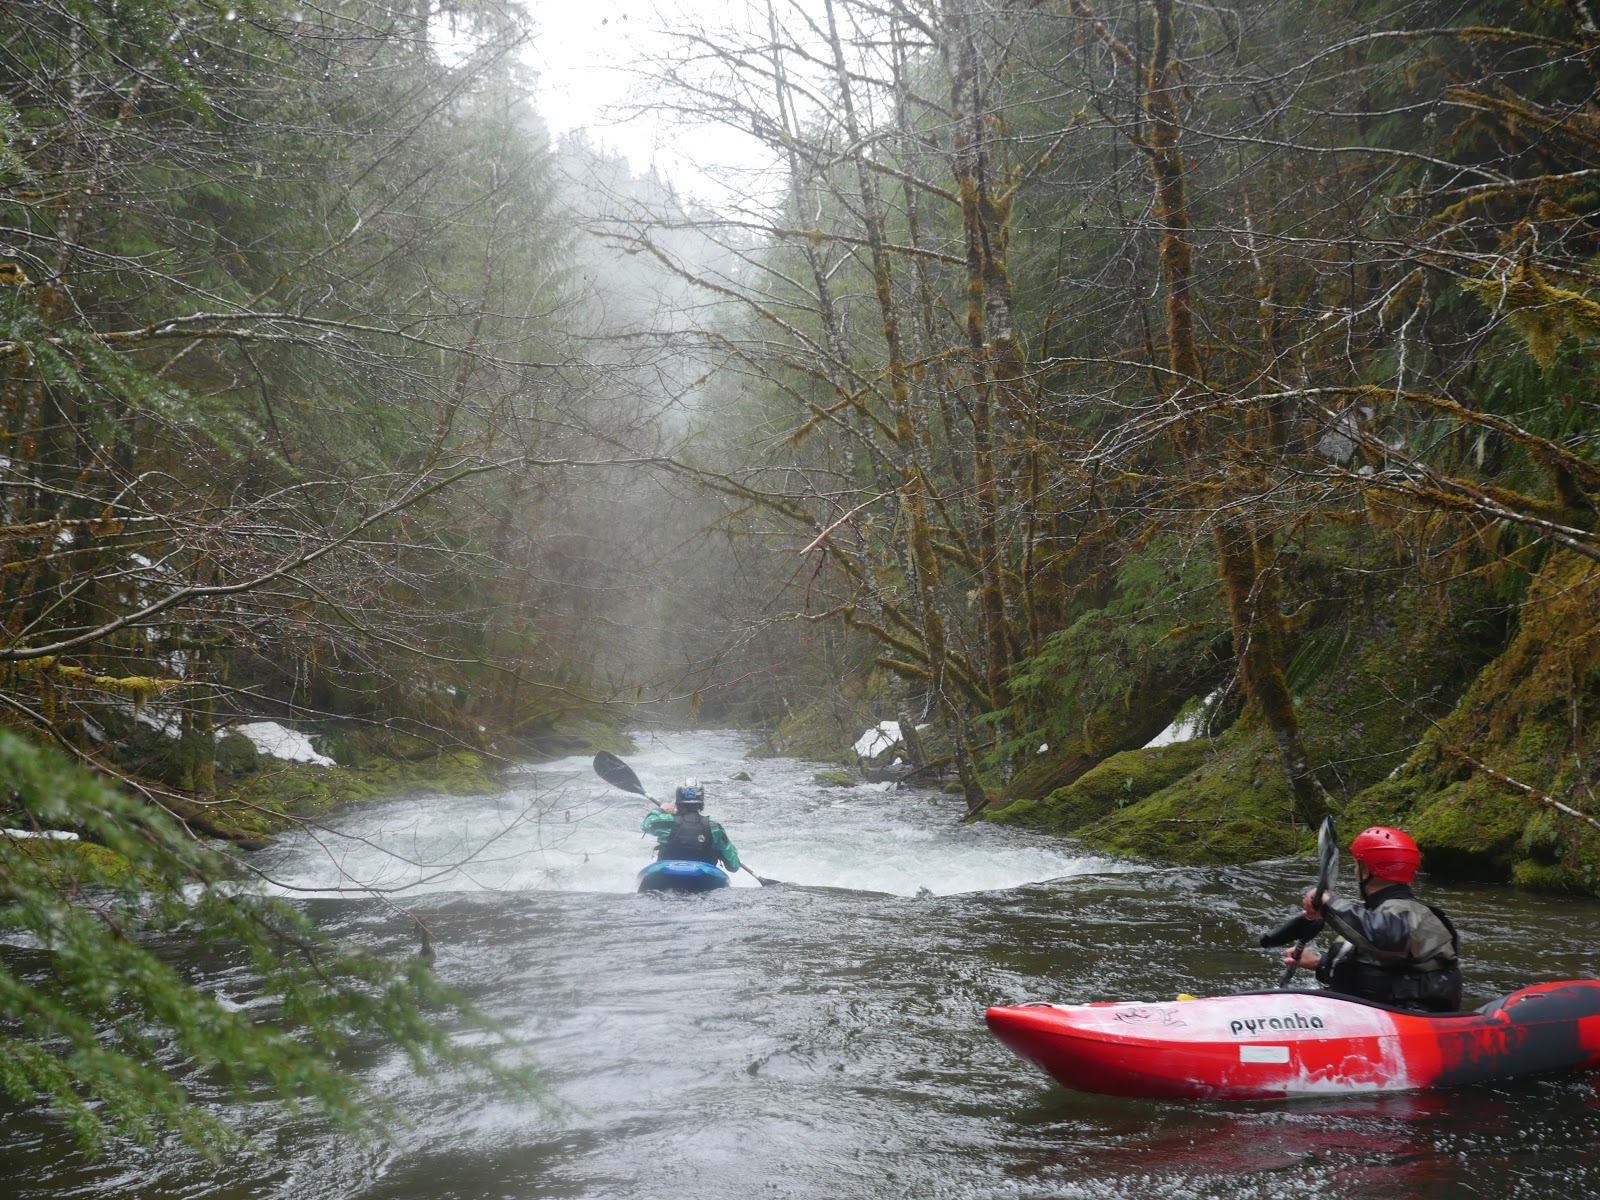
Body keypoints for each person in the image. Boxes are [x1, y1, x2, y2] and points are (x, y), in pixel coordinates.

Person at [1282, 826, 1463, 1012]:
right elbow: (1378, 968)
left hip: (1410, 1026)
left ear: (1365, 871)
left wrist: (1329, 903)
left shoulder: (1412, 917)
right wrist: (1318, 964)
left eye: (1356, 865)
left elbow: (1381, 938)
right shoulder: (1378, 915)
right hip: (1369, 1020)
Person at [641, 778, 741, 872]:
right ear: (701, 801)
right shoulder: (714, 828)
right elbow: (733, 865)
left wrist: (662, 809)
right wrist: (718, 851)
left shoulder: (668, 822)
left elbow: (646, 825)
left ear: (678, 800)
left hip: (668, 873)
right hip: (703, 880)